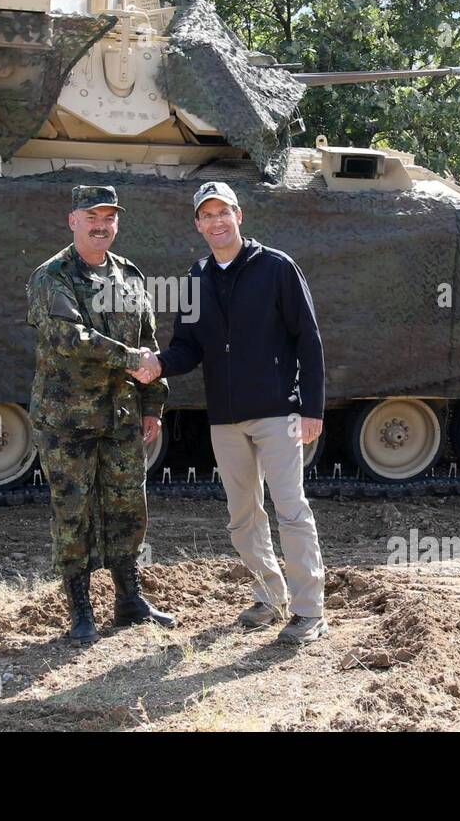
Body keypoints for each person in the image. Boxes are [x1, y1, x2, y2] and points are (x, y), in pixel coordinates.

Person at [132, 180, 328, 645]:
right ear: (198, 224)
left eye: (224, 212)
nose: (217, 221)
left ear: (239, 217)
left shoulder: (276, 267)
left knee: (291, 511)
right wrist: (159, 363)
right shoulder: (195, 278)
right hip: (224, 417)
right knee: (242, 514)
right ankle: (269, 594)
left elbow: (309, 338)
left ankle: (309, 611)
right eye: (207, 214)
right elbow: (187, 347)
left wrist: (312, 407)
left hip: (278, 412)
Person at [26, 184, 176, 645]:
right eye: (91, 215)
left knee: (128, 508)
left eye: (109, 216)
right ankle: (80, 611)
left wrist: (153, 405)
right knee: (74, 514)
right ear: (72, 220)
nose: (101, 224)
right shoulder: (52, 276)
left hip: (122, 419)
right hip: (67, 422)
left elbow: (150, 342)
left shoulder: (130, 276)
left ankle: (129, 599)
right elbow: (67, 338)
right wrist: (131, 359)